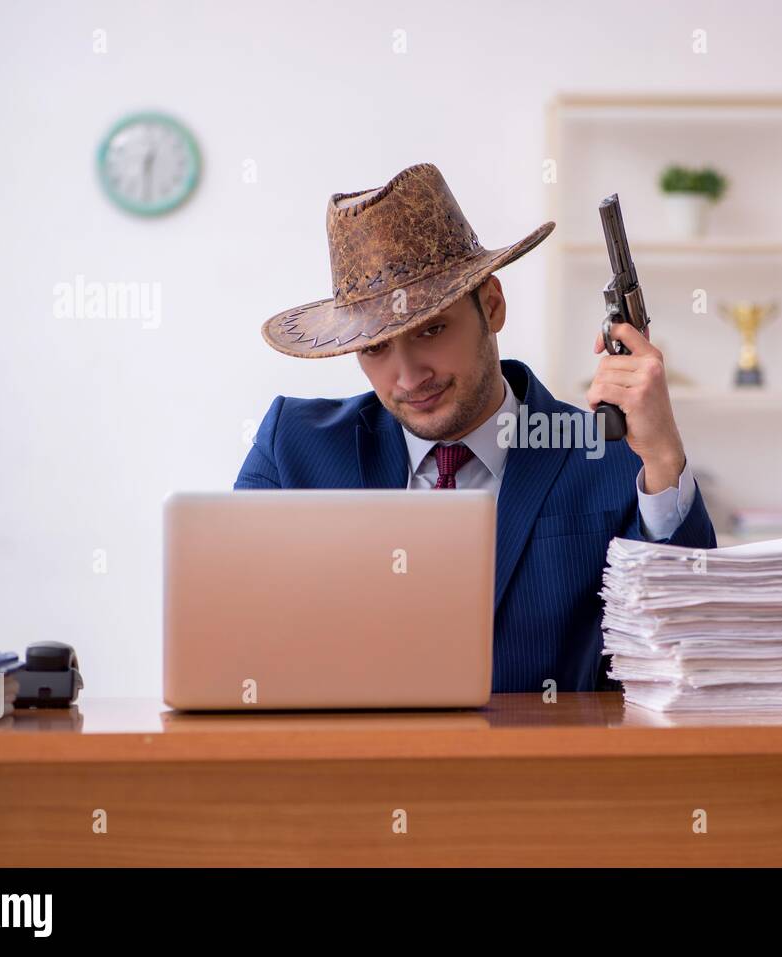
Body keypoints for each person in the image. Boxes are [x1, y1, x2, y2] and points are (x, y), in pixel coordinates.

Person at [236, 163, 716, 692]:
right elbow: (237, 640)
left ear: (491, 305)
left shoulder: (612, 458)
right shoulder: (293, 447)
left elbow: (685, 656)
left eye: (432, 330)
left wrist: (664, 459)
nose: (408, 376)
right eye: (375, 347)